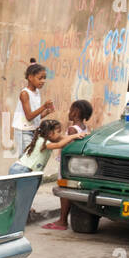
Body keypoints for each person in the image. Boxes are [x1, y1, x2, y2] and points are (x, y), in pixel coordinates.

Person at [42, 99, 94, 231]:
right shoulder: (85, 128)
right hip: (76, 165)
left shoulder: (72, 129)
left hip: (67, 164)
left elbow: (66, 144)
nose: (69, 113)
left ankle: (62, 220)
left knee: (64, 191)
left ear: (76, 112)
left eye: (71, 110)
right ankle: (63, 219)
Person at [11, 62, 53, 160]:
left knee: (31, 156)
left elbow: (35, 117)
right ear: (30, 77)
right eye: (40, 78)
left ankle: (28, 175)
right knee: (25, 158)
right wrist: (44, 106)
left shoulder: (37, 92)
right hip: (23, 130)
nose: (43, 81)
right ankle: (20, 174)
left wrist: (46, 112)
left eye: (44, 78)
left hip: (32, 129)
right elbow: (29, 116)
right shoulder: (25, 94)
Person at [10, 118, 80, 176]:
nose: (60, 135)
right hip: (21, 170)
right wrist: (74, 136)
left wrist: (76, 136)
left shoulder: (45, 140)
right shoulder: (44, 143)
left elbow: (63, 138)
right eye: (58, 132)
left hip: (22, 169)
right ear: (50, 133)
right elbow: (59, 145)